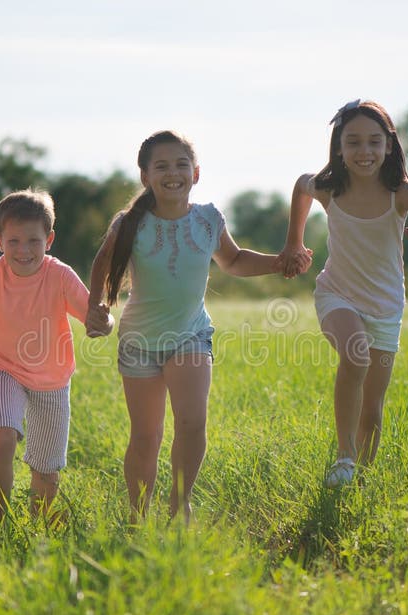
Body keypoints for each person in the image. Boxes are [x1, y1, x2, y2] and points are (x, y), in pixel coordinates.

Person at [86, 130, 299, 523]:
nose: (173, 173)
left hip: (191, 336)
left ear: (196, 173)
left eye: (181, 164)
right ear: (145, 176)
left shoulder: (207, 219)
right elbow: (102, 261)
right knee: (146, 436)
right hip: (139, 342)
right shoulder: (130, 223)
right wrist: (95, 304)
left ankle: (179, 505)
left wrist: (278, 261)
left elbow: (234, 260)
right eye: (162, 166)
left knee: (192, 422)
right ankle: (137, 517)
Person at [280, 99, 408, 487]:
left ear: (388, 145)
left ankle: (360, 480)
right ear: (339, 147)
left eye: (374, 141)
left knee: (372, 408)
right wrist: (294, 243)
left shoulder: (401, 193)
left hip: (386, 308)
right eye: (353, 142)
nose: (364, 151)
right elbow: (301, 186)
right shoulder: (329, 189)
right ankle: (344, 457)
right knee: (355, 354)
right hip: (337, 295)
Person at [0, 189, 113, 521]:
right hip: (4, 368)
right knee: (1, 439)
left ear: (49, 240)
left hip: (51, 380)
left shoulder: (60, 276)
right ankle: (1, 523)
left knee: (45, 469)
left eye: (33, 241)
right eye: (13, 241)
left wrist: (104, 322)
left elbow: (95, 319)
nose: (23, 250)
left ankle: (37, 524)